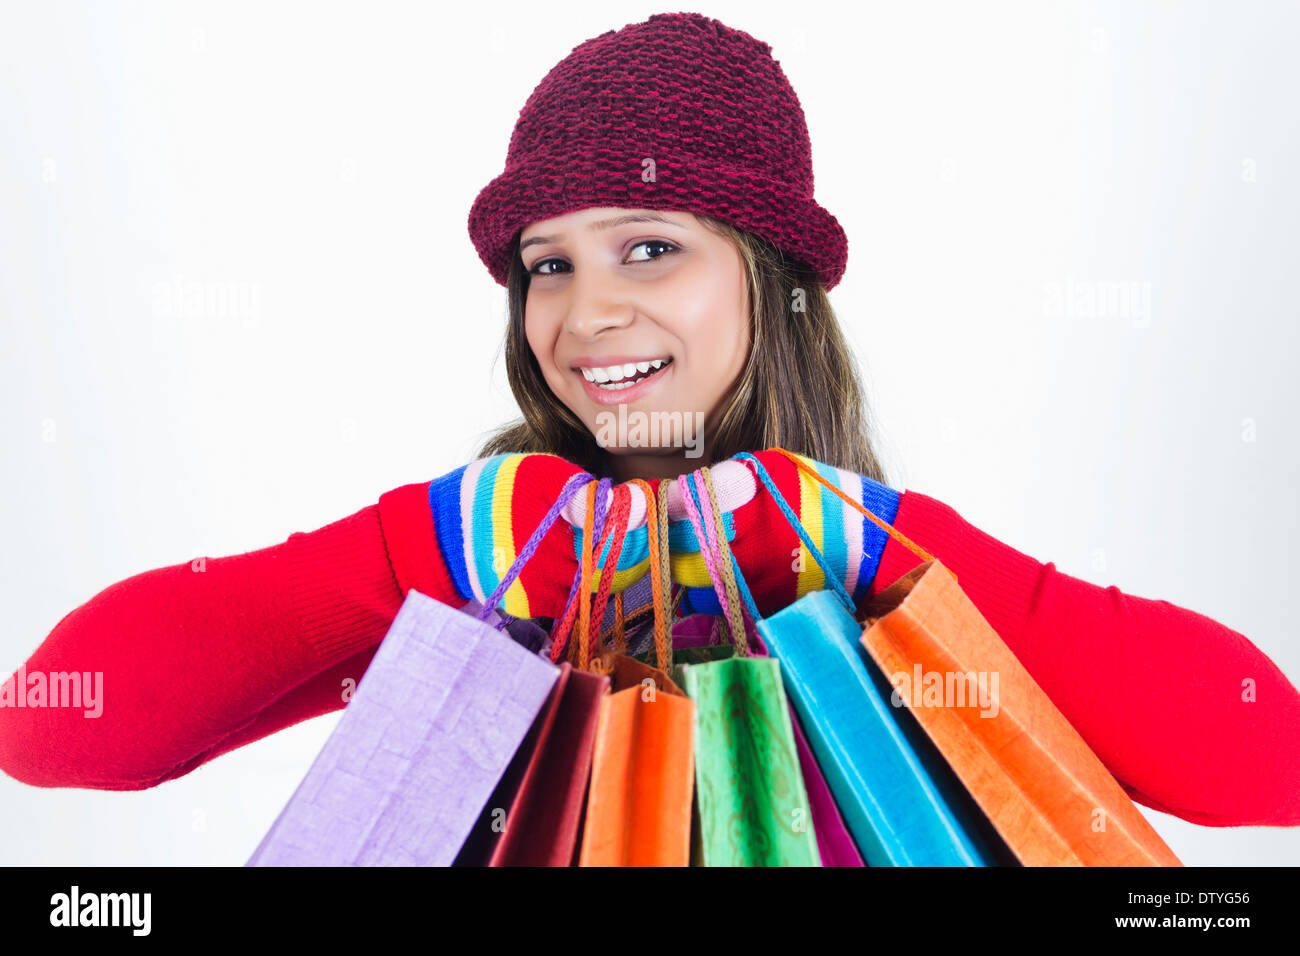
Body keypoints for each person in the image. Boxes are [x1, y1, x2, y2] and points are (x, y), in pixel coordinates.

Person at [1, 12, 1296, 837]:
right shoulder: (481, 574)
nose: (585, 313)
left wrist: (874, 554)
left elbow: (1263, 759)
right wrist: (425, 551)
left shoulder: (878, 577)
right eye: (547, 265)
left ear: (773, 275)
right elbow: (60, 724)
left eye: (648, 247)